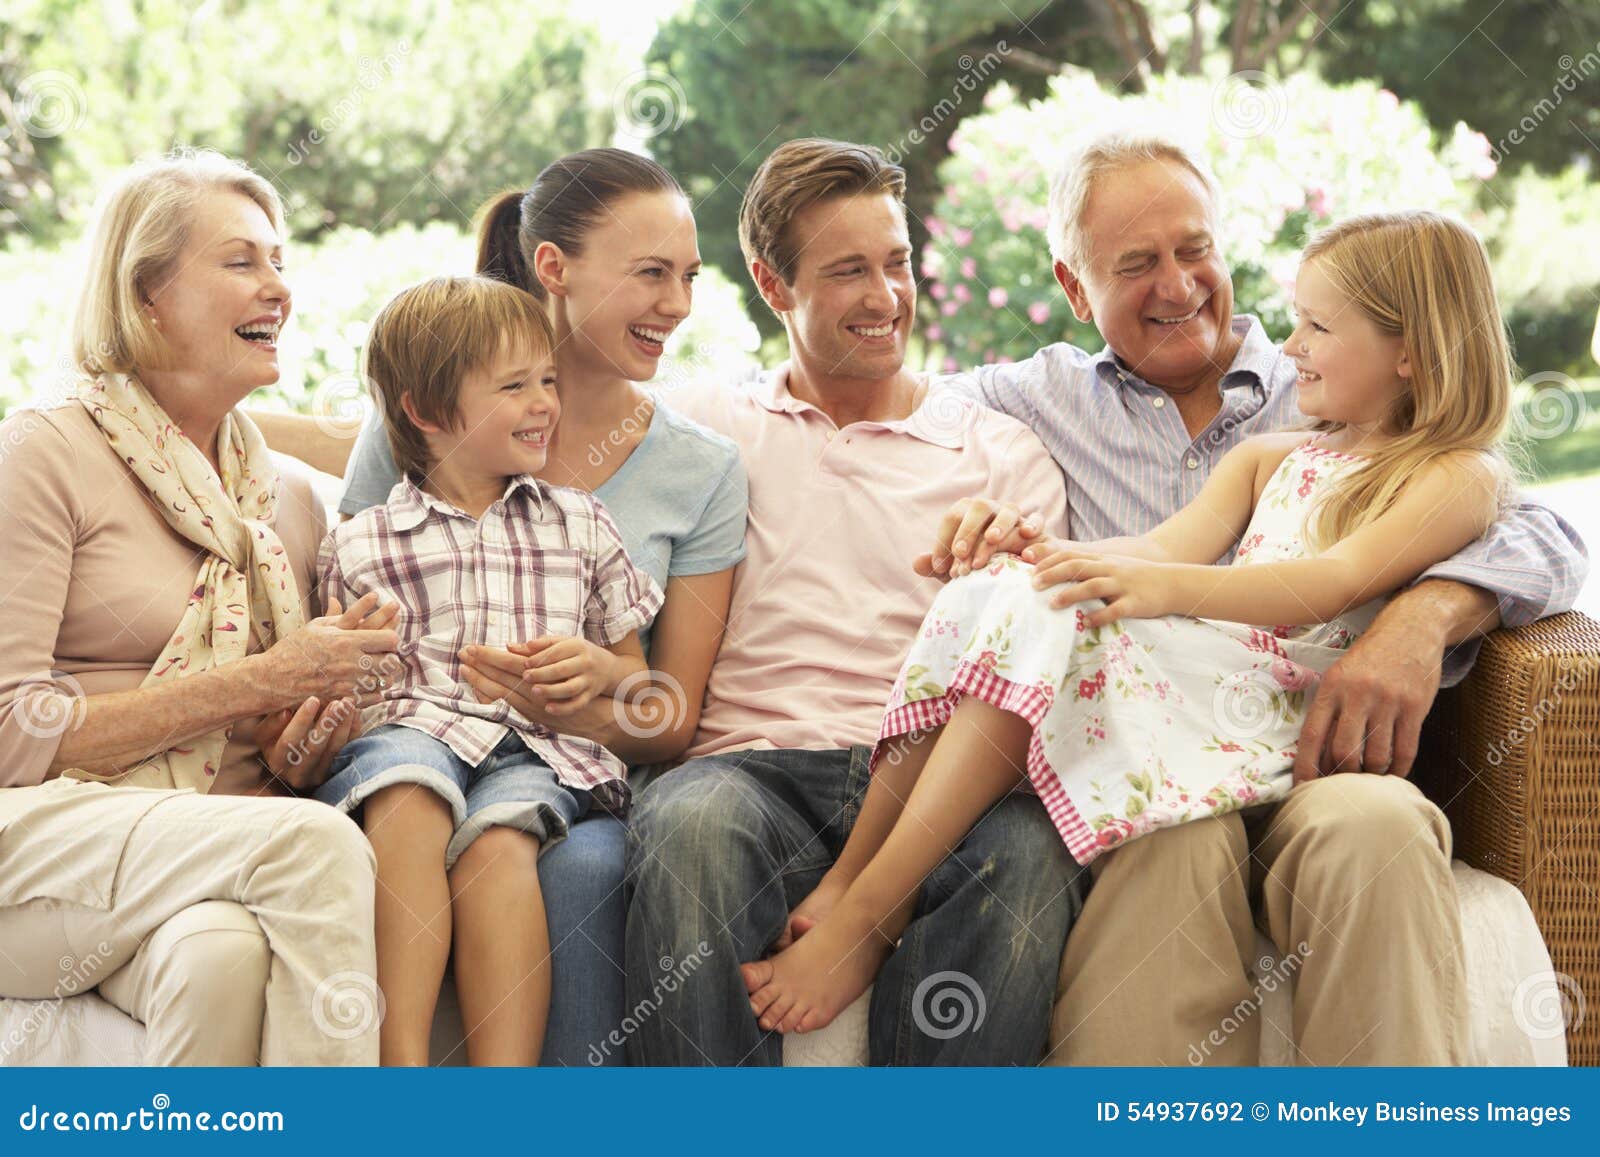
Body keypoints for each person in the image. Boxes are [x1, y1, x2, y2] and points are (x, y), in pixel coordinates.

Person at [739, 210, 1517, 1034]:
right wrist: (1038, 555)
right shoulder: (1272, 457)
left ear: (1412, 351)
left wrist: (1159, 591)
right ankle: (859, 883)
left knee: (1046, 612)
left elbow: (1331, 582)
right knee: (1005, 591)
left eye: (1318, 326)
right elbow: (1153, 546)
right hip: (1209, 705)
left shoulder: (1457, 475)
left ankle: (870, 911)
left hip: (1285, 718)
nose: (1291, 346)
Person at [927, 129, 1589, 1064]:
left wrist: (1426, 613)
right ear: (1075, 289)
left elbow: (1539, 530)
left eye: (1195, 249)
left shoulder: (1326, 390)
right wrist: (1015, 543)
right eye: (1136, 264)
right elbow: (876, 406)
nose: (1179, 284)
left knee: (1375, 829)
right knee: (1168, 841)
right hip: (1172, 761)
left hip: (1325, 761)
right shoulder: (1026, 400)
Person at [599, 138, 1082, 1066]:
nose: (886, 296)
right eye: (850, 271)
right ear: (773, 285)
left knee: (1026, 849)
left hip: (933, 781)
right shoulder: (704, 427)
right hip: (755, 771)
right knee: (691, 823)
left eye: (896, 263)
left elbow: (1021, 669)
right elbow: (522, 411)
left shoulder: (998, 452)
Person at [331, 149, 747, 1065]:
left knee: (586, 865)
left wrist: (599, 687)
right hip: (420, 745)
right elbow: (361, 611)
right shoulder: (430, 416)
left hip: (574, 773)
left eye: (688, 278)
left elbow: (667, 717)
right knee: (411, 797)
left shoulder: (700, 468)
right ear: (553, 266)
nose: (677, 305)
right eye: (650, 274)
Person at [0, 149, 396, 1065]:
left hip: (192, 848)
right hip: (37, 832)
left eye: (281, 261)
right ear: (148, 296)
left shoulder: (284, 498)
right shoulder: (40, 454)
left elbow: (272, 752)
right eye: (242, 261)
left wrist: (304, 730)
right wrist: (260, 677)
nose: (278, 288)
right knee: (312, 845)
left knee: (221, 956)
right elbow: (10, 729)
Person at [315, 276, 664, 1065]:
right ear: (429, 413)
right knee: (408, 793)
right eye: (516, 386)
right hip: (411, 732)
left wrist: (595, 670)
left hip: (535, 747)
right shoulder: (361, 542)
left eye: (548, 379)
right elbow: (341, 689)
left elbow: (637, 681)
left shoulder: (580, 522)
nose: (545, 401)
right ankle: (398, 1064)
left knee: (498, 844)